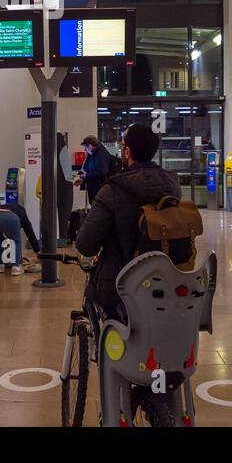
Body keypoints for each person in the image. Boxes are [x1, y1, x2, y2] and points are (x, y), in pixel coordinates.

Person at [75, 124, 180, 319]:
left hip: (121, 286)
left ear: (127, 151)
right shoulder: (172, 185)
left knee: (93, 294)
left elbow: (86, 245)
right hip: (166, 278)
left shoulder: (112, 190)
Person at [0, 197, 40, 276]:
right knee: (15, 241)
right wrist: (37, 251)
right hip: (10, 218)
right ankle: (16, 268)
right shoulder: (22, 212)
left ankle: (0, 266)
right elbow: (30, 233)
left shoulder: (12, 207)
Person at [73, 136, 115, 205]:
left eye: (85, 148)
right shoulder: (92, 154)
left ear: (90, 146)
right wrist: (83, 179)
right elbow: (88, 168)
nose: (85, 150)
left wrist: (86, 175)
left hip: (99, 190)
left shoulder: (101, 154)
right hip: (93, 189)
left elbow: (102, 172)